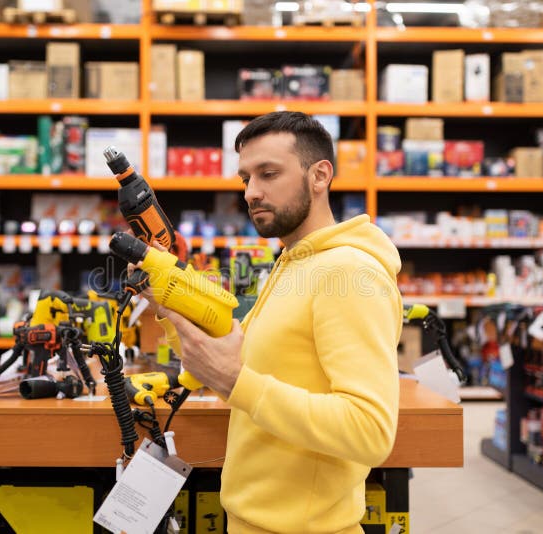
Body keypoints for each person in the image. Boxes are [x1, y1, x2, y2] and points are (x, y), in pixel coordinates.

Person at [157, 111, 402, 533]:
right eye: (245, 179)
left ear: (319, 175)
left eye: (268, 174)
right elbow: (244, 359)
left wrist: (237, 383)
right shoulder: (293, 262)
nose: (252, 192)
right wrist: (165, 302)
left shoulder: (349, 273)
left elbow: (370, 431)